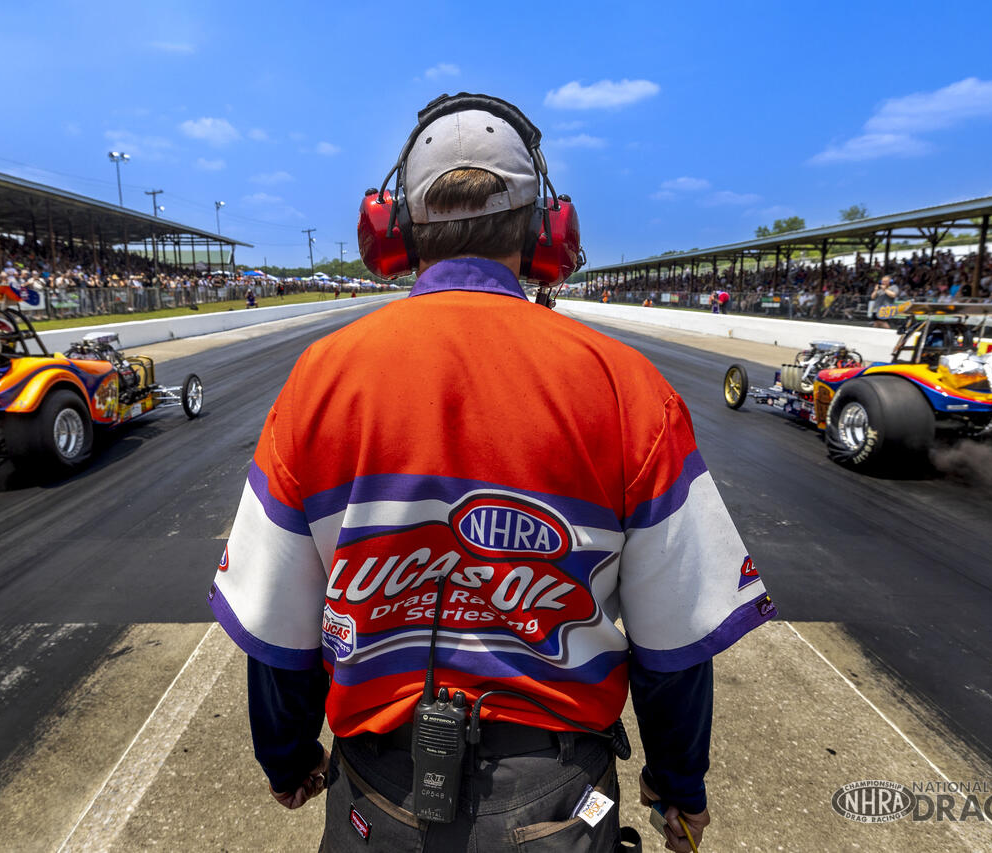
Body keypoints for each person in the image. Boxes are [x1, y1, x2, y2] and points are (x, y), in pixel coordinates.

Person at [208, 93, 774, 853]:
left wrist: (287, 757)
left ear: (394, 231)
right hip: (557, 798)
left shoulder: (319, 379)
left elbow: (278, 630)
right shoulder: (625, 382)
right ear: (546, 231)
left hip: (377, 794)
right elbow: (675, 647)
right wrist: (679, 782)